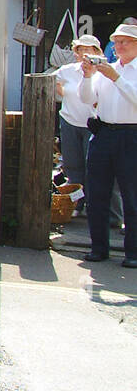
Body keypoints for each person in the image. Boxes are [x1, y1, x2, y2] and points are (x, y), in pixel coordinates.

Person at [78, 23, 137, 267]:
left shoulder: (121, 72)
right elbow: (87, 99)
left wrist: (117, 78)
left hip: (131, 135)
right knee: (97, 194)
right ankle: (98, 247)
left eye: (125, 41)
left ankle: (133, 253)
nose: (119, 46)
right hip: (103, 133)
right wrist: (88, 77)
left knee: (131, 196)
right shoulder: (108, 69)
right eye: (117, 42)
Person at [56, 35, 122, 224]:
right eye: (81, 49)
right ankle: (76, 206)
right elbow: (50, 81)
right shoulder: (66, 70)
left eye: (89, 49)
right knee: (72, 167)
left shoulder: (105, 72)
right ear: (76, 52)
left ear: (97, 52)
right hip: (69, 121)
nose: (85, 53)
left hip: (94, 124)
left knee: (94, 169)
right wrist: (62, 94)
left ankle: (104, 212)